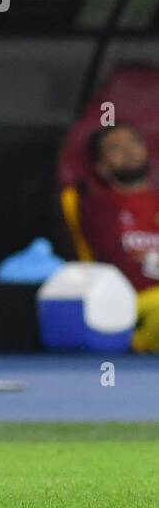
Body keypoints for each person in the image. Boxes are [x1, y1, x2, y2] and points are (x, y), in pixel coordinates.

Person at [79, 122, 159, 352]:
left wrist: (149, 259)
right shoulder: (100, 206)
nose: (128, 151)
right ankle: (136, 341)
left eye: (133, 142)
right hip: (133, 299)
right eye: (115, 148)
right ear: (102, 167)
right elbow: (114, 262)